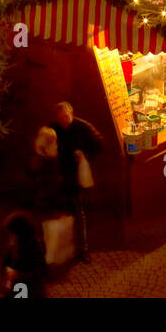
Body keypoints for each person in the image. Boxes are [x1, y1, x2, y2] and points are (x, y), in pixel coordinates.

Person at [52, 101, 102, 262]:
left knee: (79, 213)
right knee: (66, 214)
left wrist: (85, 155)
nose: (64, 121)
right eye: (61, 119)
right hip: (61, 177)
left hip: (75, 177)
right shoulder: (54, 128)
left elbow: (99, 143)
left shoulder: (82, 127)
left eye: (66, 117)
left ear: (71, 114)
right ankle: (68, 249)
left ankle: (83, 249)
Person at [1, 211, 46, 299]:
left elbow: (40, 270)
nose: (11, 236)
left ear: (20, 232)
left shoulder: (34, 245)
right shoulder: (14, 244)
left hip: (30, 289)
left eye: (12, 233)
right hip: (16, 288)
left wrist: (17, 274)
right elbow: (7, 262)